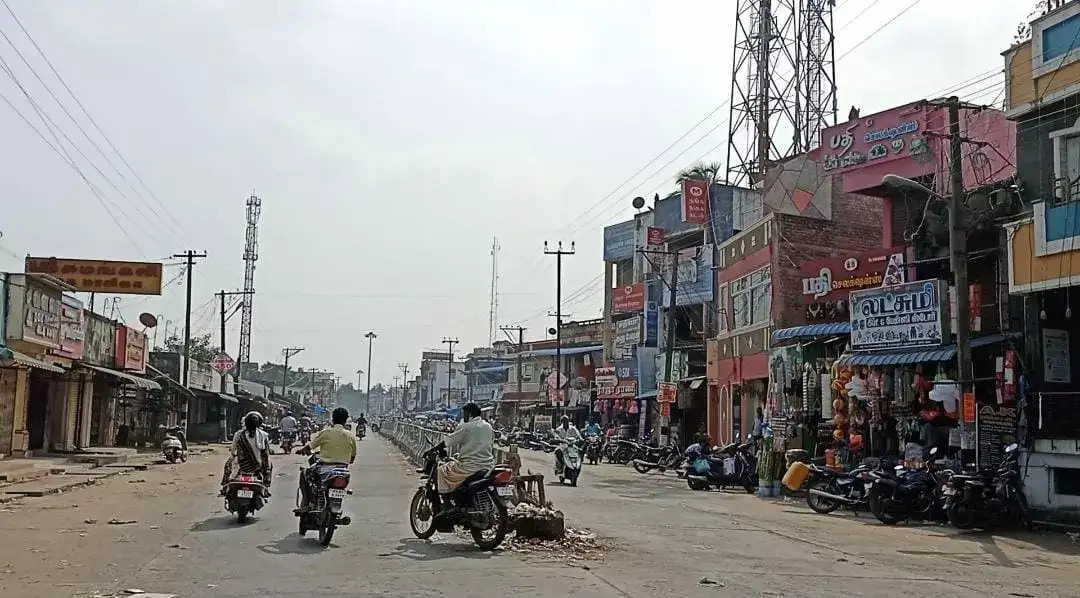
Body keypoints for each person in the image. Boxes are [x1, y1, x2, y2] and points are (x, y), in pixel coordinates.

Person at [298, 407, 357, 511]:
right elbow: (353, 456)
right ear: (345, 420)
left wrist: (302, 450)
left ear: (333, 419)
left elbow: (311, 446)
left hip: (324, 468)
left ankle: (306, 504)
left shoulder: (326, 432)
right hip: (343, 470)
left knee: (304, 474)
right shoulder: (350, 435)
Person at [433, 402, 495, 496]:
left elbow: (448, 441)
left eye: (464, 414)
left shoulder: (466, 427)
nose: (463, 417)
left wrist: (432, 450)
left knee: (442, 470)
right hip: (488, 466)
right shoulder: (488, 426)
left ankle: (446, 501)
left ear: (469, 414)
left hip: (469, 467)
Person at [220, 411, 272, 496]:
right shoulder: (263, 435)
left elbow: (233, 451)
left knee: (227, 465)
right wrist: (265, 467)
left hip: (240, 465)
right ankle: (266, 488)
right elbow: (265, 454)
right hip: (258, 466)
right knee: (269, 467)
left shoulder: (239, 434)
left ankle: (224, 487)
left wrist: (233, 456)